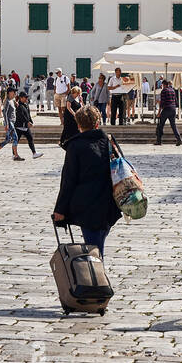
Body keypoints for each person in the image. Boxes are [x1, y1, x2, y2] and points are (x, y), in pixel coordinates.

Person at [52, 105, 121, 257]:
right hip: (109, 205)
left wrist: (60, 210)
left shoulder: (75, 146)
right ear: (97, 123)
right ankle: (95, 276)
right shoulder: (108, 142)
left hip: (88, 207)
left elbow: (68, 181)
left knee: (94, 251)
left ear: (78, 125)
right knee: (97, 246)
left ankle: (97, 279)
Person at [0, 86, 22, 162]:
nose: (15, 93)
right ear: (9, 93)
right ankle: (16, 155)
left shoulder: (11, 100)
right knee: (15, 138)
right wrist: (7, 124)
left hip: (12, 122)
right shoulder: (7, 101)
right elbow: (5, 113)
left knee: (8, 139)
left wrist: (16, 103)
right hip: (9, 122)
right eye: (14, 92)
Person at [14, 90, 42, 159]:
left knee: (30, 138)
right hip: (19, 127)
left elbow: (28, 115)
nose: (26, 99)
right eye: (25, 97)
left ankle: (34, 153)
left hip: (25, 127)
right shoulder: (19, 106)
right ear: (21, 98)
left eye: (27, 97)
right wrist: (27, 122)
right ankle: (14, 155)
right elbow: (21, 116)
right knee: (16, 141)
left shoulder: (26, 105)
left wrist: (30, 121)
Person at [154, 79, 182, 146]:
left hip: (166, 109)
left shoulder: (164, 91)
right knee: (173, 125)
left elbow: (162, 103)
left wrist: (159, 112)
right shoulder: (172, 90)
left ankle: (159, 140)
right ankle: (178, 138)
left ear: (164, 85)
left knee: (161, 125)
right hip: (173, 109)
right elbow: (175, 100)